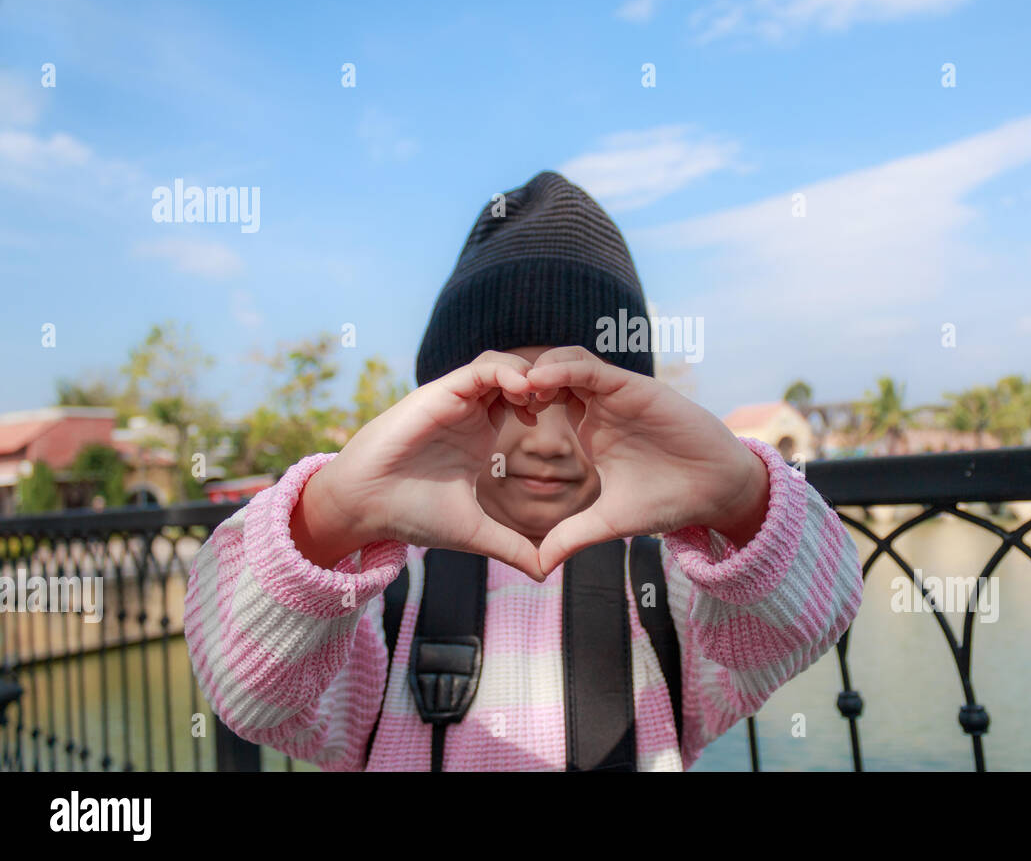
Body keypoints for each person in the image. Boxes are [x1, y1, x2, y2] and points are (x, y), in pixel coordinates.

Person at [183, 170, 864, 771]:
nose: (549, 440)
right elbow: (246, 687)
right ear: (436, 408)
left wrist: (741, 497)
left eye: (588, 399)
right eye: (506, 399)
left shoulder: (670, 591)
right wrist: (331, 516)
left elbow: (809, 615)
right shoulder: (379, 594)